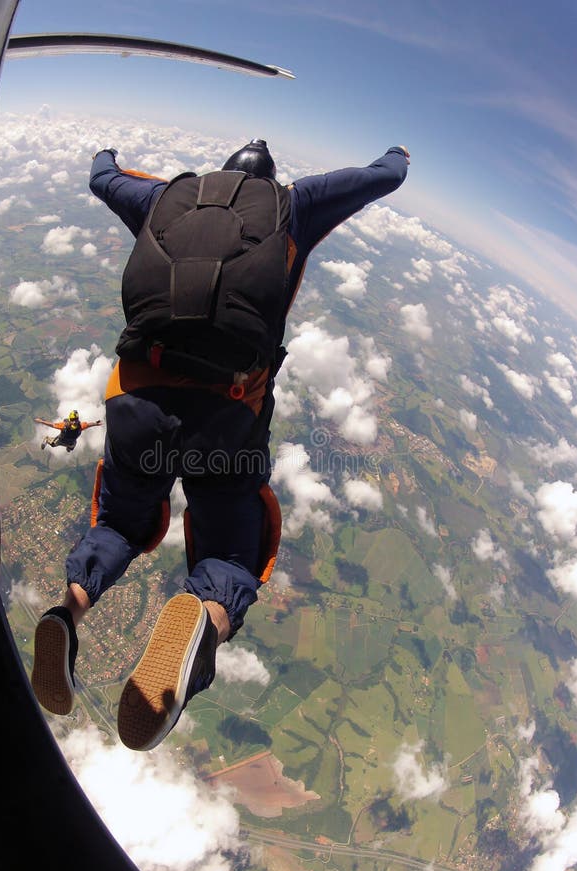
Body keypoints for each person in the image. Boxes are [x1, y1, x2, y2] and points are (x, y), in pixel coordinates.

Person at [30, 138, 409, 750]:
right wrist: (399, 155)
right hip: (227, 415)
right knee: (232, 552)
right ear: (268, 178)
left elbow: (104, 179)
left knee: (123, 522)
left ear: (220, 173)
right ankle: (201, 618)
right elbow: (378, 176)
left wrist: (105, 154)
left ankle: (68, 610)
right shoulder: (293, 205)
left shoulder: (163, 199)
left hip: (135, 400)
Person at [36, 410, 102, 452]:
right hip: (61, 440)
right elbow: (52, 425)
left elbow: (88, 425)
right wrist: (41, 421)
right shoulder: (64, 426)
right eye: (72, 419)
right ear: (70, 419)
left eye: (76, 419)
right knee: (53, 445)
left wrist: (96, 423)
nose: (74, 421)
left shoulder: (80, 426)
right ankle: (47, 439)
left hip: (71, 442)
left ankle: (68, 448)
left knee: (71, 447)